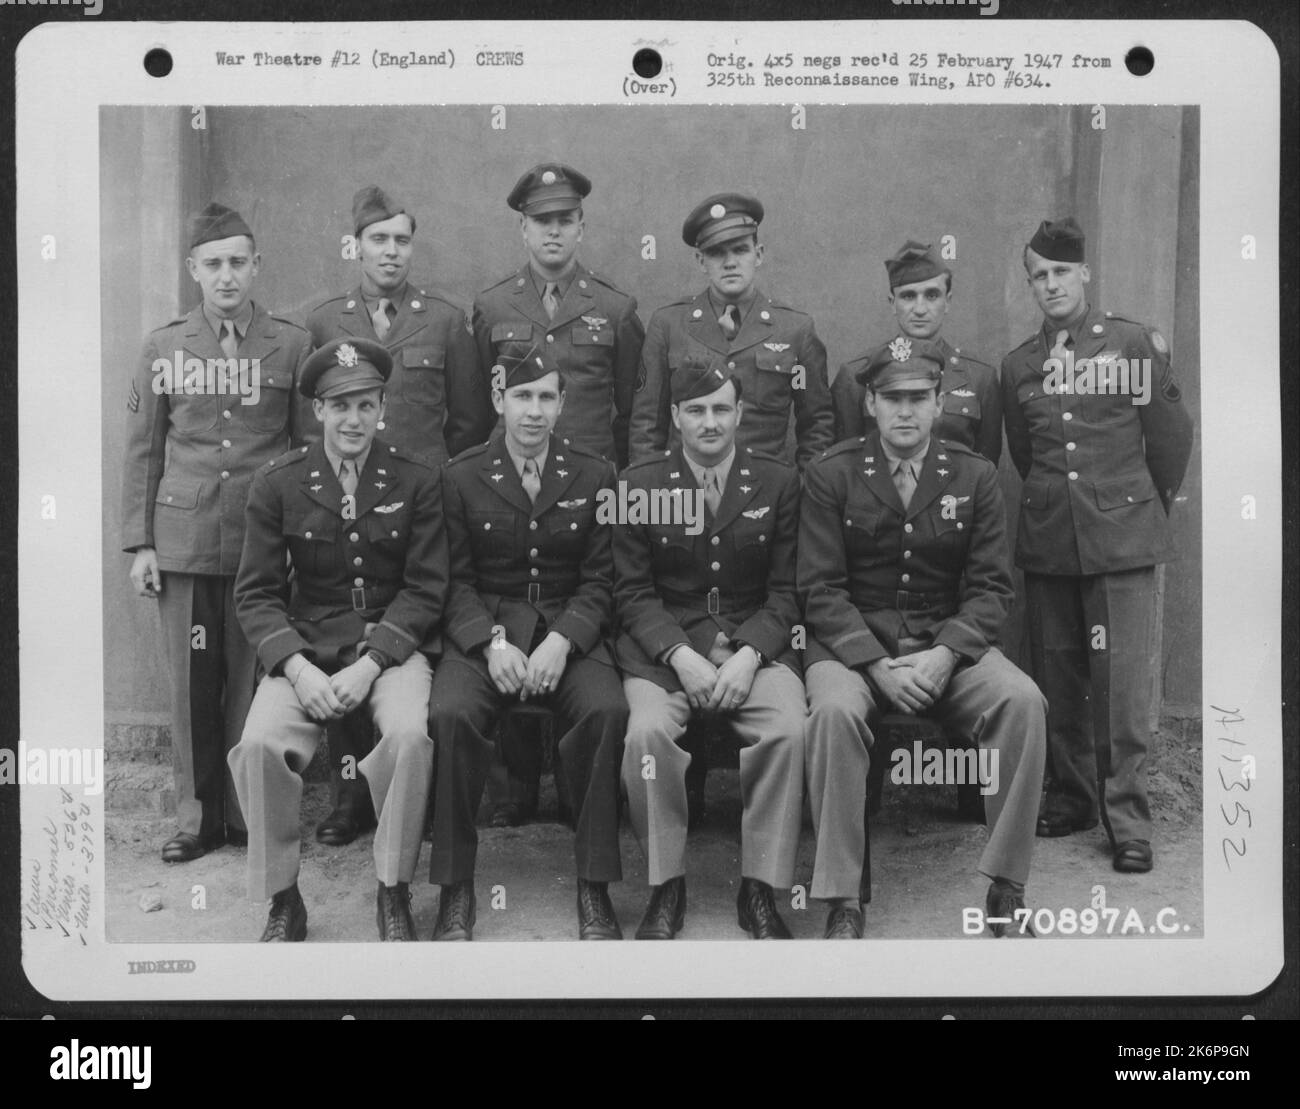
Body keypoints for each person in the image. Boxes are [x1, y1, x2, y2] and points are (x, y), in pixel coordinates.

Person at [800, 339, 1047, 938]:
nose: (905, 411)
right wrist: (876, 664)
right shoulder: (832, 473)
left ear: (939, 403)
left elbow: (992, 588)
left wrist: (945, 653)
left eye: (918, 398)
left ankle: (1008, 886)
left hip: (947, 646)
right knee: (832, 713)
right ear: (870, 403)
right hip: (853, 648)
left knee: (1023, 702)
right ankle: (842, 896)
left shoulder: (974, 475)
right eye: (892, 398)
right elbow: (819, 589)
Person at [228, 337, 448, 941]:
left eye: (366, 405)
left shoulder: (416, 479)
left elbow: (427, 589)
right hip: (305, 649)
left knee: (408, 735)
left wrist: (372, 664)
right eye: (340, 405)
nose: (354, 420)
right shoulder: (277, 483)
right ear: (318, 411)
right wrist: (297, 670)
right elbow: (256, 593)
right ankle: (283, 897)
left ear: (383, 408)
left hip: (390, 649)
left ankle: (393, 888)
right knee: (258, 746)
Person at [1002, 218, 1193, 874]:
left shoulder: (1132, 343)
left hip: (1123, 540)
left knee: (1121, 688)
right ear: (1030, 284)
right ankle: (1075, 796)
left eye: (1060, 272)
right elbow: (1029, 455)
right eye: (1038, 276)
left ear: (1083, 273)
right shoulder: (1019, 365)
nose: (1050, 285)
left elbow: (1168, 438)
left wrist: (1137, 511)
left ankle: (1129, 818)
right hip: (1052, 538)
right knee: (1058, 676)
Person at [121, 202, 311, 863]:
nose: (226, 276)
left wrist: (303, 543)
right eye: (214, 264)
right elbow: (143, 448)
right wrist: (141, 543)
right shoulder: (163, 346)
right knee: (193, 686)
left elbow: (306, 448)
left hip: (262, 542)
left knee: (250, 680)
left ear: (255, 266)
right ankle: (196, 816)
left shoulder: (289, 343)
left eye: (238, 262)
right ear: (193, 270)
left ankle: (242, 811)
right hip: (185, 539)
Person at [306, 185, 491, 847]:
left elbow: (470, 422)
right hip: (348, 506)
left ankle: (420, 785)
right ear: (356, 245)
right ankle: (348, 797)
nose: (391, 252)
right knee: (346, 639)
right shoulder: (326, 321)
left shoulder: (443, 320)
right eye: (378, 240)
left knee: (419, 644)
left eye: (402, 240)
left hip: (424, 508)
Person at [427, 350, 628, 941]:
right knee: (450, 715)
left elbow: (602, 580)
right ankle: (455, 888)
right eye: (522, 397)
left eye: (545, 397)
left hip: (568, 632)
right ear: (498, 401)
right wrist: (490, 642)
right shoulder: (460, 475)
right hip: (487, 634)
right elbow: (452, 581)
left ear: (563, 404)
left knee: (606, 710)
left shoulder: (597, 475)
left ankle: (594, 886)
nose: (534, 411)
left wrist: (564, 639)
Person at [474, 163, 644, 826]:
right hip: (511, 497)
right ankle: (518, 786)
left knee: (582, 631)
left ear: (581, 225)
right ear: (522, 227)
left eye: (564, 219)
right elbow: (470, 418)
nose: (553, 231)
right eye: (541, 220)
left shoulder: (615, 308)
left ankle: (583, 790)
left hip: (589, 502)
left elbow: (634, 416)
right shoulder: (491, 308)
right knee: (514, 608)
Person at [615, 356, 806, 940]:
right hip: (665, 650)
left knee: (789, 729)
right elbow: (630, 592)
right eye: (695, 410)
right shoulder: (639, 484)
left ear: (741, 413)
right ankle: (666, 884)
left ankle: (760, 888)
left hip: (759, 646)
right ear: (674, 417)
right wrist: (681, 653)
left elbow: (791, 590)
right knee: (647, 735)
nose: (709, 422)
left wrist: (749, 653)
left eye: (721, 409)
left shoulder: (777, 481)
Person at [629, 193, 832, 470]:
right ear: (701, 261)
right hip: (685, 496)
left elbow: (816, 426)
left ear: (758, 254)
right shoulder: (668, 325)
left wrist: (806, 493)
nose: (729, 262)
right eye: (716, 253)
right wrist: (651, 493)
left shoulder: (794, 331)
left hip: (766, 495)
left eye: (740, 250)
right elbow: (647, 425)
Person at [832, 240, 1002, 463]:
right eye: (908, 296)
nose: (920, 309)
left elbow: (986, 463)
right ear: (892, 303)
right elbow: (845, 464)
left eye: (932, 296)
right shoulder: (855, 376)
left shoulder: (980, 377)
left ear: (947, 302)